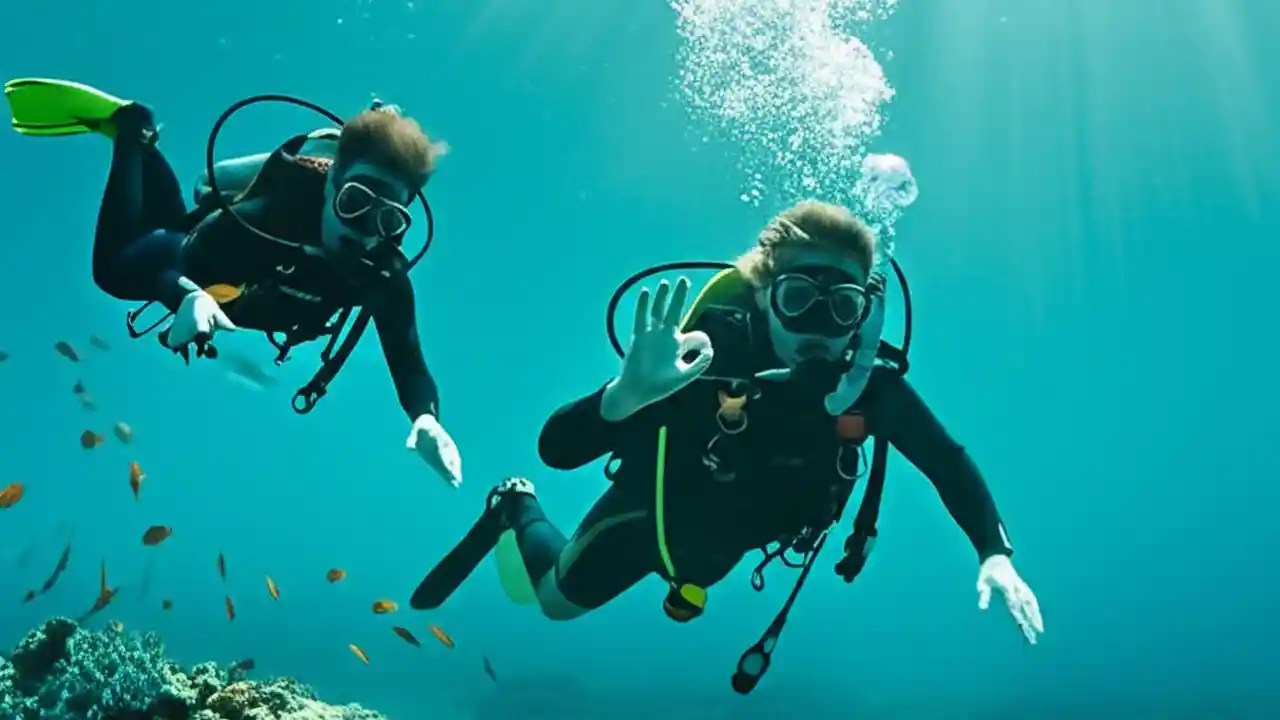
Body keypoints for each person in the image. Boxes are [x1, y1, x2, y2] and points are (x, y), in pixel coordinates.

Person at [413, 200, 1041, 657]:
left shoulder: (872, 388)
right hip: (648, 519)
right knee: (553, 604)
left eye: (842, 307)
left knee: (635, 586)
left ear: (862, 317)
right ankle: (512, 506)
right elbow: (557, 448)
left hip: (723, 547)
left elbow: (946, 459)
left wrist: (995, 553)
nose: (819, 327)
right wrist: (624, 395)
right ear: (765, 295)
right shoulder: (708, 357)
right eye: (799, 299)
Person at [3, 78, 462, 487]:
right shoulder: (265, 217)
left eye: (387, 218)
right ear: (331, 183)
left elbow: (409, 362)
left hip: (231, 284)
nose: (364, 228)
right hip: (189, 258)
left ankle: (146, 143)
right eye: (356, 200)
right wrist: (187, 295)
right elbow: (175, 268)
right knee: (117, 270)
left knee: (173, 223)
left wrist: (426, 418)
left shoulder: (381, 274)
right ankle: (130, 129)